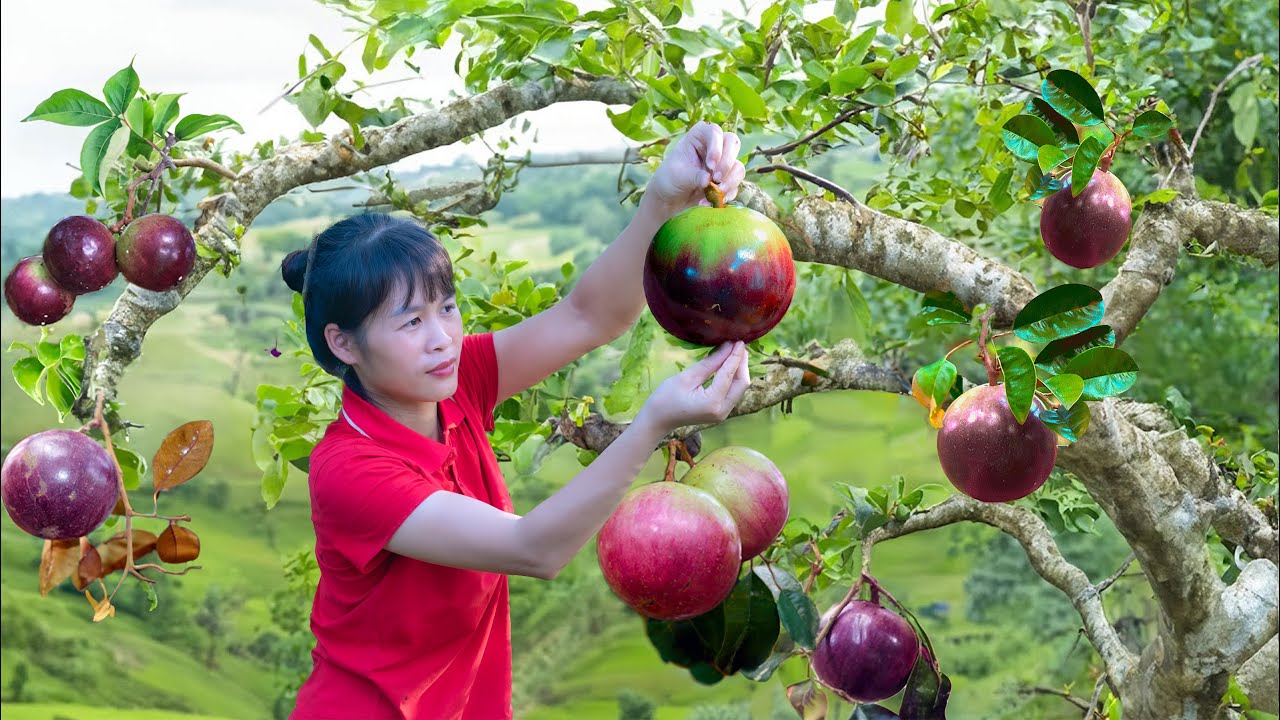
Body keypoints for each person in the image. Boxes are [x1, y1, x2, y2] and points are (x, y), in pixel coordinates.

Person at [280, 122, 751, 719]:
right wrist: (652, 423)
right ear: (342, 343)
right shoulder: (351, 470)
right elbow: (534, 549)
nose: (442, 339)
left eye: (446, 308)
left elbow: (589, 316)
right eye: (410, 322)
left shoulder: (456, 384)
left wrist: (663, 197)